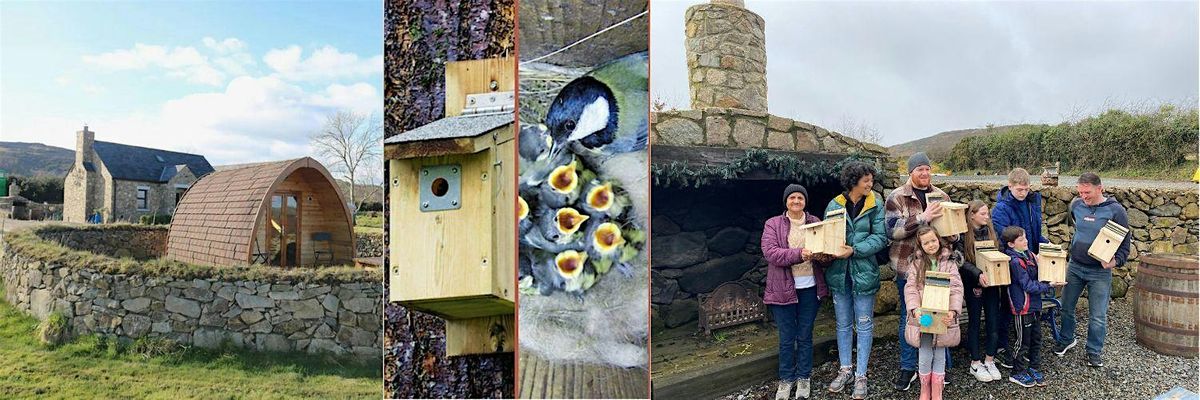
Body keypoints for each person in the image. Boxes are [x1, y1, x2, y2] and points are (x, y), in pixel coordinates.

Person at [884, 152, 955, 390]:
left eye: (927, 168)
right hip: (908, 269)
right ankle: (908, 367)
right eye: (919, 169)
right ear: (910, 172)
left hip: (938, 268)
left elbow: (953, 232)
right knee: (912, 317)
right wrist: (921, 218)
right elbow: (892, 231)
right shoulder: (897, 197)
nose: (924, 173)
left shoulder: (942, 196)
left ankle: (941, 367)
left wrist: (952, 232)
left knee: (941, 314)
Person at [821, 162, 888, 400]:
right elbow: (826, 233)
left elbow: (881, 238)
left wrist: (855, 250)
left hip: (864, 273)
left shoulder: (875, 205)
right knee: (842, 324)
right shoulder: (834, 204)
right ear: (853, 181)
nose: (871, 184)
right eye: (866, 180)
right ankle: (845, 370)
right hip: (839, 274)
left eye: (871, 180)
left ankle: (861, 375)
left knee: (865, 323)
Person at [1054, 173, 1131, 367]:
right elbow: (1077, 228)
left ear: (1100, 188)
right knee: (1066, 307)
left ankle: (1094, 351)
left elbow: (1124, 245)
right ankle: (1066, 339)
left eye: (1087, 192)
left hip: (1099, 272)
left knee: (1097, 315)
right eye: (1080, 192)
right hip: (1075, 267)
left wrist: (1114, 262)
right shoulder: (1076, 205)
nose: (1084, 196)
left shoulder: (1115, 211)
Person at [761, 184, 828, 400]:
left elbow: (825, 251)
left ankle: (804, 377)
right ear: (786, 201)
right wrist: (801, 254)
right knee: (787, 337)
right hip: (782, 290)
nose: (796, 201)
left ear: (805, 201)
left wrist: (827, 254)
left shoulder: (815, 221)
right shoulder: (773, 224)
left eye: (800, 197)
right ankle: (786, 379)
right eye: (792, 198)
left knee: (805, 335)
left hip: (810, 287)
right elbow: (771, 253)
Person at [989, 168, 1047, 367]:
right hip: (1012, 262)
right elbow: (1003, 239)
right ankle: (1004, 347)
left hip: (1030, 258)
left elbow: (1034, 232)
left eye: (1026, 189)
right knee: (1009, 305)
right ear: (1010, 186)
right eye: (1019, 189)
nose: (1023, 193)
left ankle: (1027, 345)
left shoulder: (1032, 202)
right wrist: (1018, 257)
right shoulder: (1001, 209)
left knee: (1029, 303)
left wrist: (1046, 247)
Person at [903, 226, 962, 400]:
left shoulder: (949, 262)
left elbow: (956, 288)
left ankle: (937, 390)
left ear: (939, 239)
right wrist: (915, 309)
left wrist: (953, 310)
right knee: (925, 351)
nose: (931, 245)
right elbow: (911, 288)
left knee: (940, 352)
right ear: (920, 245)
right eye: (926, 242)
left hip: (943, 316)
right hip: (924, 316)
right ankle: (924, 389)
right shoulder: (916, 263)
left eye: (933, 240)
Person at [1001, 226, 1065, 387]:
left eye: (1025, 238)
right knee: (1022, 341)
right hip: (1022, 307)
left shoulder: (1029, 255)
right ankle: (1017, 372)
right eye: (1021, 239)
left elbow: (1041, 273)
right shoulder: (1015, 261)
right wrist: (1049, 285)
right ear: (1011, 244)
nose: (1026, 241)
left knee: (1036, 338)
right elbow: (1027, 285)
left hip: (1035, 305)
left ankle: (1034, 367)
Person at [955, 200, 1004, 382]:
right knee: (974, 321)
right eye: (983, 214)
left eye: (987, 214)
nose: (987, 217)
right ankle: (975, 362)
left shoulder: (992, 231)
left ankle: (990, 360)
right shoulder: (963, 234)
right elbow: (959, 260)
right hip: (973, 284)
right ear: (972, 215)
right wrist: (977, 274)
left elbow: (999, 253)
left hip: (992, 284)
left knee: (993, 320)